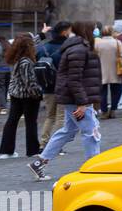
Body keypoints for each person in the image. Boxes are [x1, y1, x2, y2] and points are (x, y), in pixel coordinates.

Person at [30, 21, 102, 181]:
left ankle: (40, 162)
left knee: (67, 131)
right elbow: (74, 79)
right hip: (77, 99)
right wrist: (82, 103)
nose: (96, 32)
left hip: (74, 97)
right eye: (94, 29)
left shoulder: (75, 48)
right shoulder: (80, 50)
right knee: (91, 132)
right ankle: (95, 167)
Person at [0, 33, 42, 161]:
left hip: (15, 93)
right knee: (31, 122)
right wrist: (38, 93)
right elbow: (29, 82)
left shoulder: (16, 58)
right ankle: (32, 150)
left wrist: (42, 34)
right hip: (27, 95)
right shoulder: (26, 62)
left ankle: (6, 150)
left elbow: (30, 41)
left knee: (12, 121)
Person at [36, 21, 70, 137]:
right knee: (60, 117)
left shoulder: (43, 48)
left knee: (50, 116)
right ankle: (55, 146)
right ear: (64, 32)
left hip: (47, 86)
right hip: (62, 87)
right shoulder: (67, 48)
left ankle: (43, 143)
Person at [93, 23, 122, 118]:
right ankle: (113, 109)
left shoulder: (97, 43)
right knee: (116, 91)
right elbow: (121, 55)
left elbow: (94, 56)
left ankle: (104, 112)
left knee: (102, 93)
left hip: (101, 70)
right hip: (115, 70)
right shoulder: (118, 42)